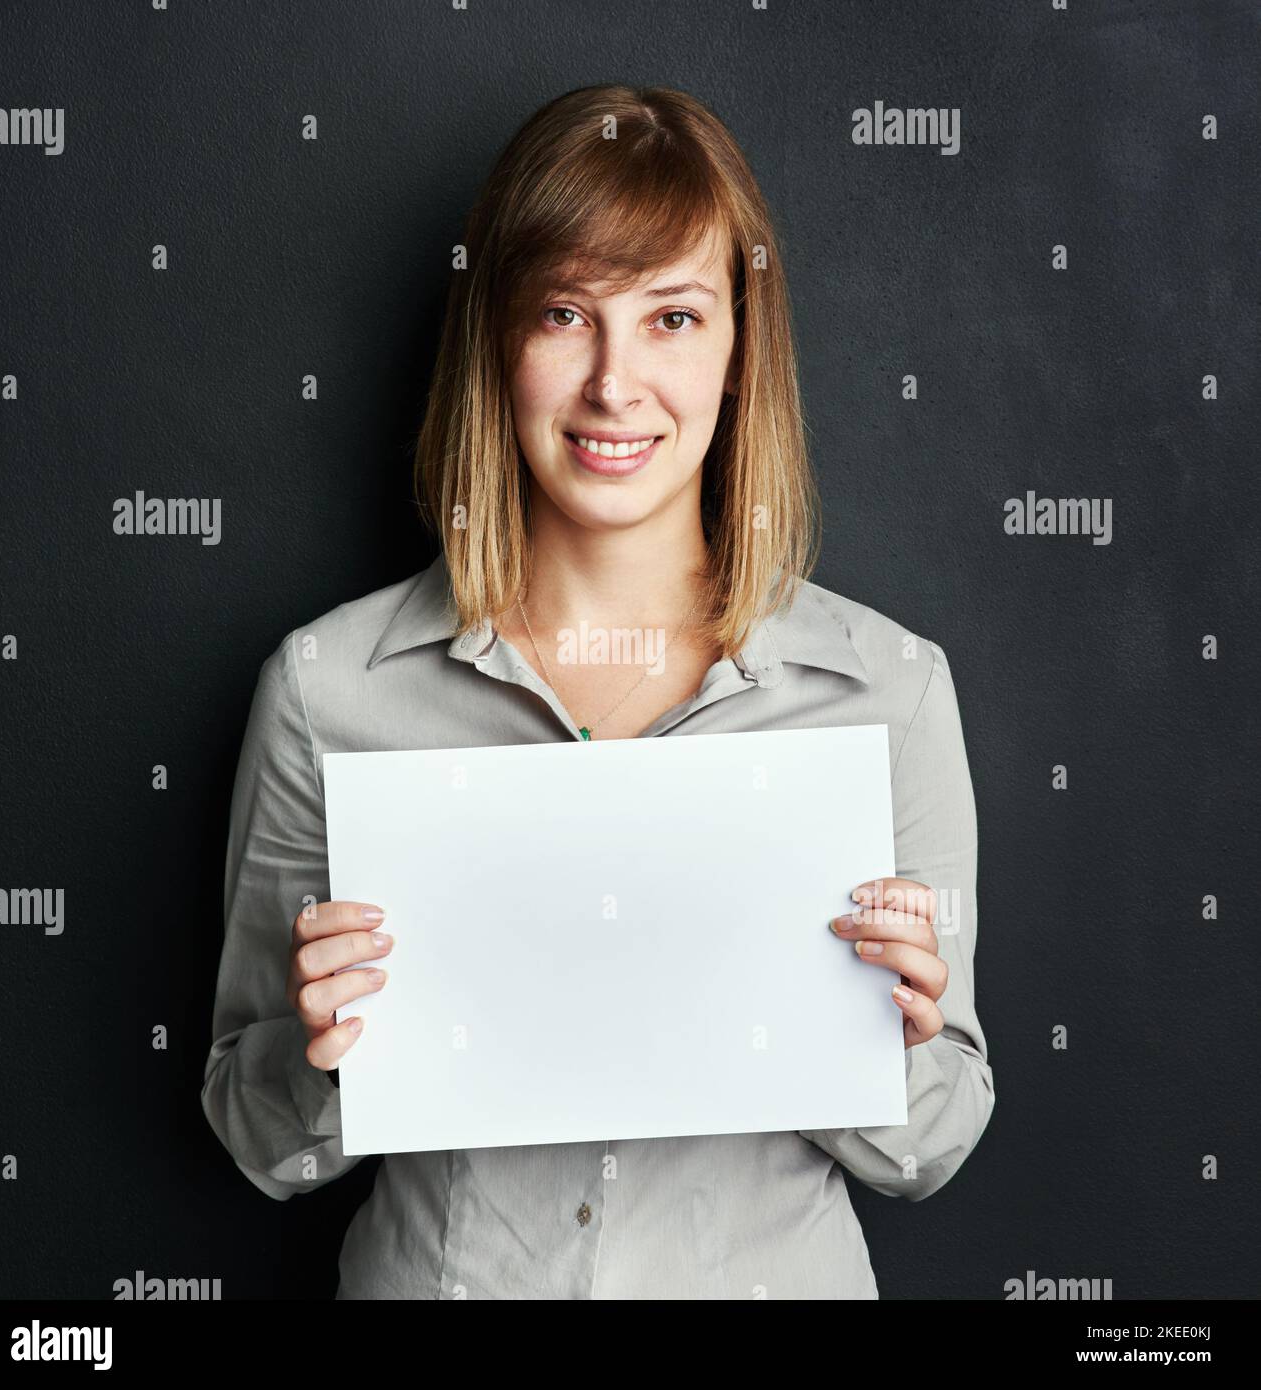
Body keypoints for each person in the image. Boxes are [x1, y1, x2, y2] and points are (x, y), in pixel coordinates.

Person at [201, 83, 994, 1299]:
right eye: (566, 313)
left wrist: (896, 1044)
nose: (616, 384)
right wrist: (320, 1058)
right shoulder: (327, 691)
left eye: (673, 318)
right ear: (499, 343)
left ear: (738, 352)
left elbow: (929, 1151)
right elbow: (260, 1140)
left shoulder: (885, 691)